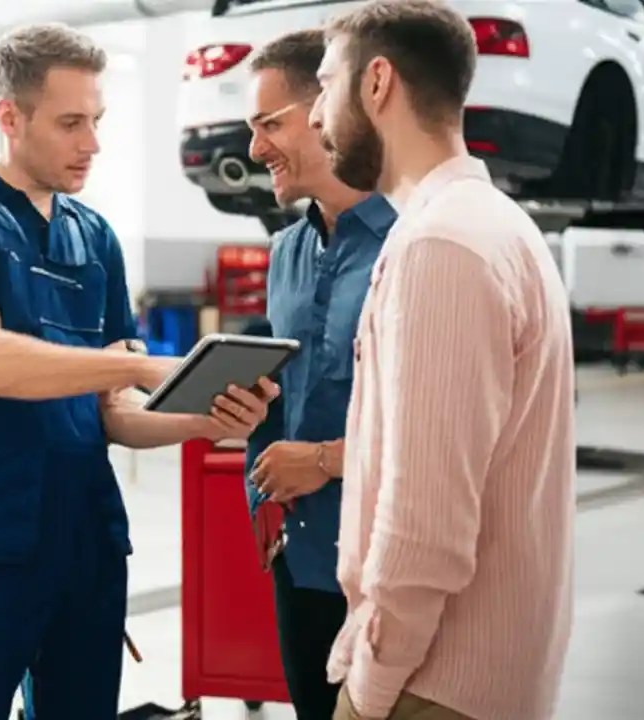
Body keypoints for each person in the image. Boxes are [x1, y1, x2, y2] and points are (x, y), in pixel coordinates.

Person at [0, 23, 279, 720]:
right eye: (71, 123)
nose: (92, 144)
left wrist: (205, 413)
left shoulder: (93, 236)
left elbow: (112, 415)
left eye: (97, 121)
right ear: (9, 117)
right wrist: (141, 363)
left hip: (87, 544)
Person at [305, 1, 577, 719]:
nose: (312, 117)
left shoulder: (442, 248)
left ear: (377, 83)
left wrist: (368, 686)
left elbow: (424, 525)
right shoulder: (485, 226)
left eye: (326, 85)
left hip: (434, 682)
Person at [239, 29, 396, 720]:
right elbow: (282, 400)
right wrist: (262, 493)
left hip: (390, 569)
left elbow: (444, 432)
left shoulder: (417, 243)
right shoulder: (286, 254)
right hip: (300, 561)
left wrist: (329, 462)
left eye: (270, 124)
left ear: (328, 108)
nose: (254, 148)